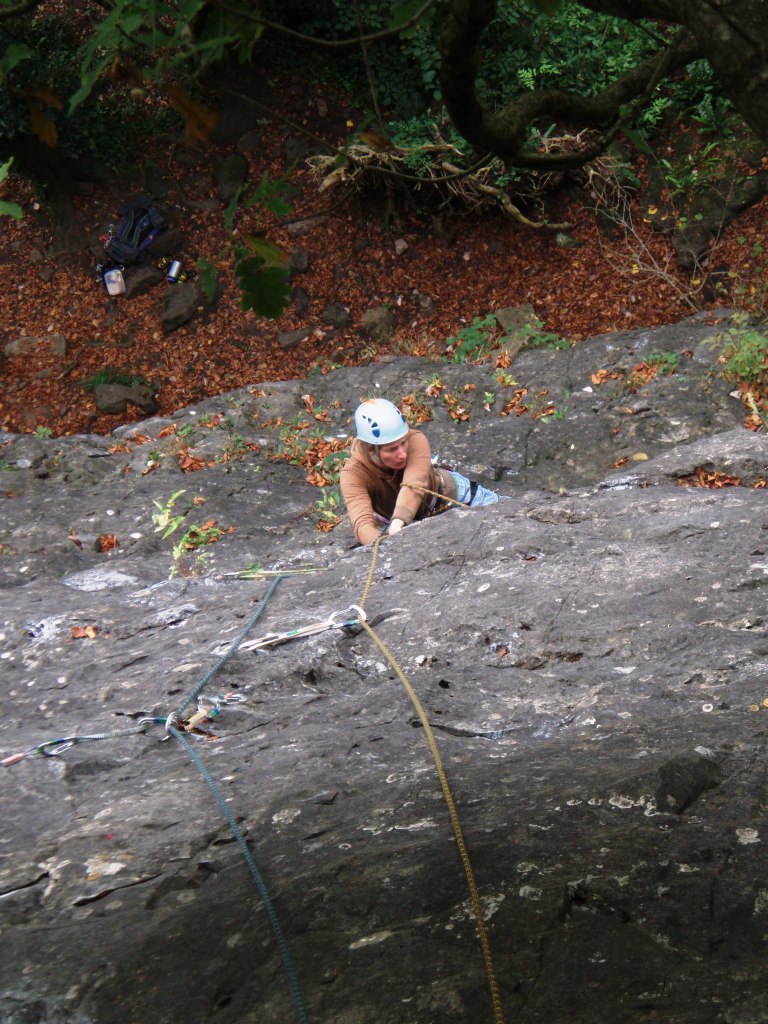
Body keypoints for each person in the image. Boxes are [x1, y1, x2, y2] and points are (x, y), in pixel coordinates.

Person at [340, 397, 499, 545]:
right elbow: (362, 524)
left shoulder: (415, 439)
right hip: (398, 525)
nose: (402, 453)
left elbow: (414, 484)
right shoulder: (353, 475)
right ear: (371, 451)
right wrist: (383, 544)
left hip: (453, 497)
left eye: (403, 443)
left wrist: (398, 521)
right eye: (392, 449)